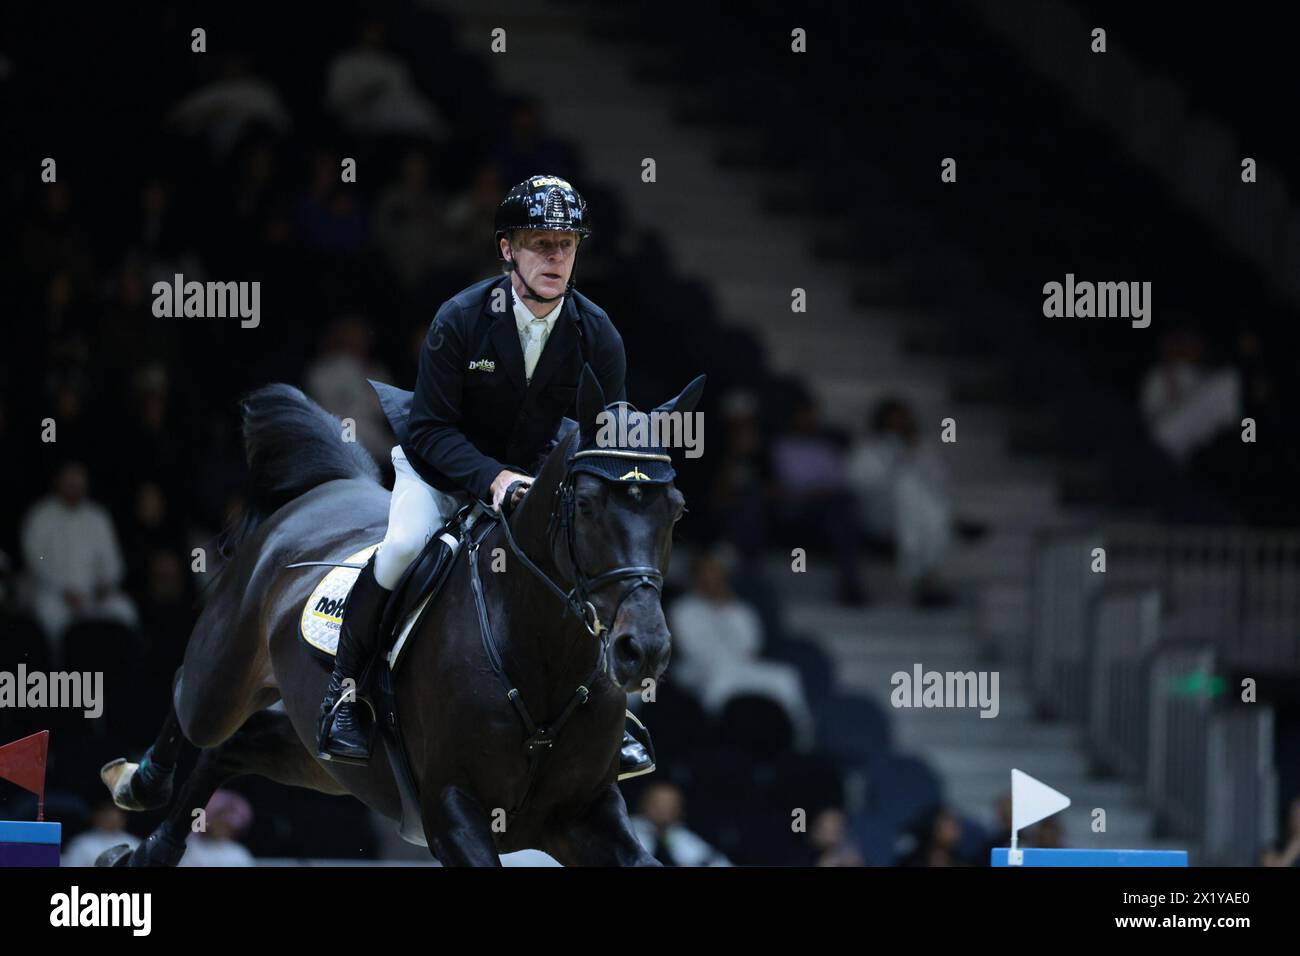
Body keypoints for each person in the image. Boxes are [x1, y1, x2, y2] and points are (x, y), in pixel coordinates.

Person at [318, 175, 653, 780]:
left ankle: (617, 713)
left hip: (538, 481)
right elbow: (429, 430)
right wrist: (494, 480)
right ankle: (346, 693)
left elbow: (604, 439)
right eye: (540, 243)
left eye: (567, 244)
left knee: (596, 564)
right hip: (444, 469)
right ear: (507, 249)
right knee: (401, 548)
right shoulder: (461, 318)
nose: (556, 258)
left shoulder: (597, 332)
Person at [20, 460, 138, 657]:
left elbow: (112, 563)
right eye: (69, 478)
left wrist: (104, 585)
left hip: (93, 596)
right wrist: (64, 592)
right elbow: (35, 562)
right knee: (48, 613)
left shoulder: (98, 517)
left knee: (125, 609)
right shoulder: (40, 516)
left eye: (78, 478)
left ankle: (122, 670)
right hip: (55, 596)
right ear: (58, 480)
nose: (74, 483)